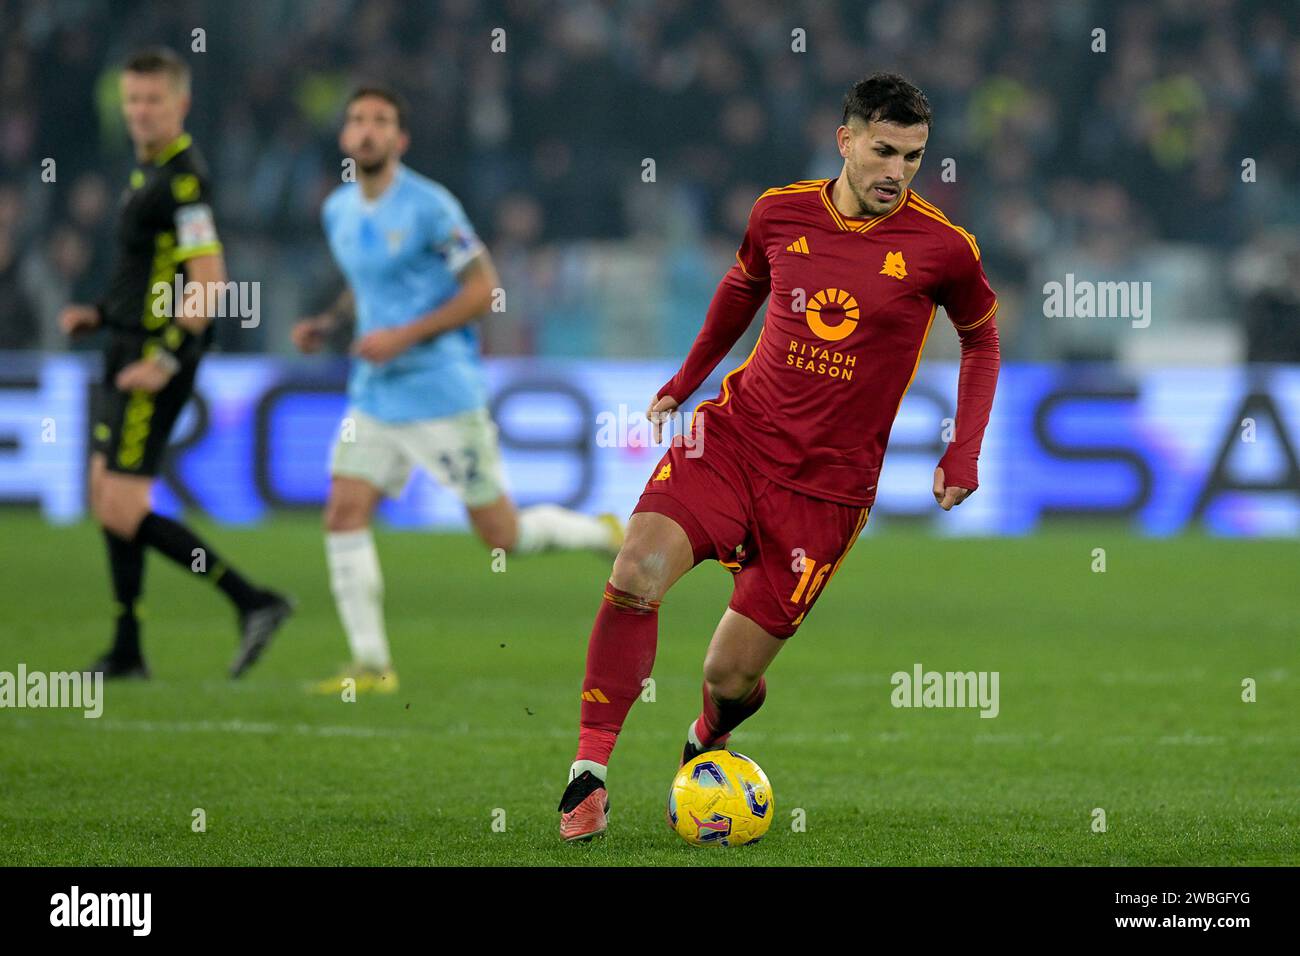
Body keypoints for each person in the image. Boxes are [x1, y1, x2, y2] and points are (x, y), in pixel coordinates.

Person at [557, 73, 1001, 841]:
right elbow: (741, 288)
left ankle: (708, 735)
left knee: (729, 676)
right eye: (884, 150)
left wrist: (962, 451)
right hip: (734, 439)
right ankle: (588, 773)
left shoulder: (943, 249)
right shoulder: (779, 213)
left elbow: (982, 337)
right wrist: (683, 385)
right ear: (847, 140)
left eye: (915, 157)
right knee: (635, 571)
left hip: (827, 493)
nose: (897, 171)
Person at [294, 86, 622, 695]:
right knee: (343, 509)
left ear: (401, 139)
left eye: (381, 121)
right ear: (345, 138)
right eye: (358, 120)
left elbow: (481, 289)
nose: (367, 131)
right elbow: (369, 289)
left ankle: (598, 532)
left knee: (501, 535)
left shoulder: (429, 206)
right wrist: (334, 324)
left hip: (441, 390)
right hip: (374, 393)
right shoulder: (338, 210)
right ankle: (372, 665)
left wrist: (403, 336)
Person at [60, 48, 292, 680]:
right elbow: (149, 273)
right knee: (103, 491)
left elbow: (209, 281)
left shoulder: (184, 180)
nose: (139, 111)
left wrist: (164, 358)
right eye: (132, 99)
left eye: (152, 100)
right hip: (124, 344)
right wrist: (103, 314)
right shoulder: (147, 172)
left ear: (180, 104)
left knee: (122, 505)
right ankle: (128, 646)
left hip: (155, 356)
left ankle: (252, 600)